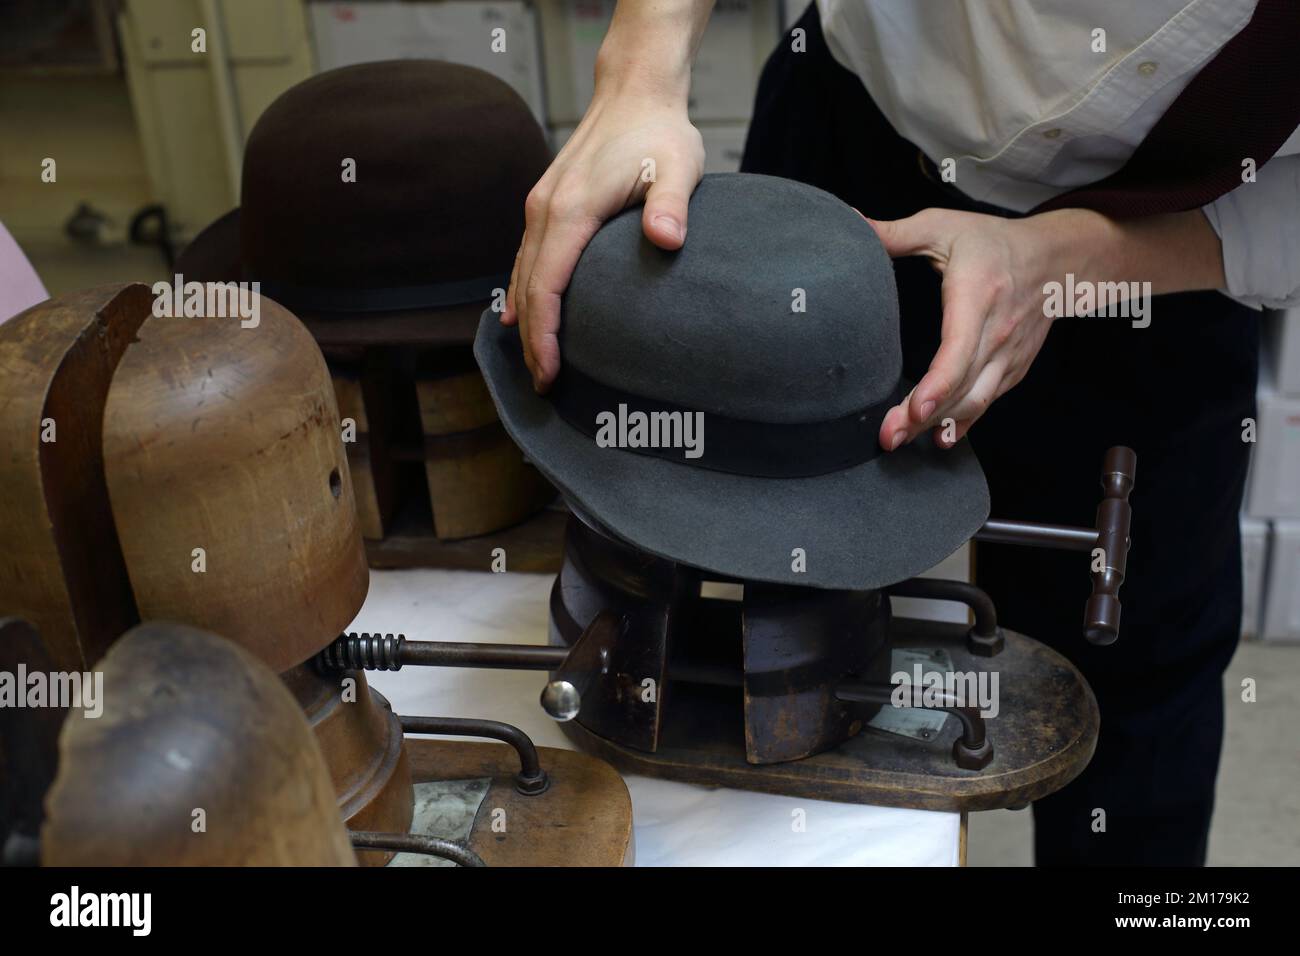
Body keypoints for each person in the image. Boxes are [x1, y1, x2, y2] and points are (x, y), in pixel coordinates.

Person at [501, 0, 1300, 865]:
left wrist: (1070, 260)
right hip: (841, 178)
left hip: (1160, 253)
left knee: (1140, 693)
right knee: (725, 586)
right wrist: (641, 73)